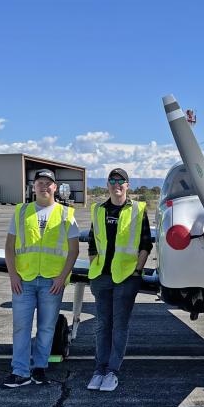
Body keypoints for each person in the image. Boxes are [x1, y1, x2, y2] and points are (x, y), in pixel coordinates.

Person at [3, 169, 80, 388]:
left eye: (48, 183)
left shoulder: (66, 214)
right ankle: (20, 371)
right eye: (40, 182)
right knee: (21, 327)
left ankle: (39, 368)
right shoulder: (21, 211)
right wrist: (13, 275)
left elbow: (73, 250)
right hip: (24, 280)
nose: (44, 186)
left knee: (47, 328)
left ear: (55, 187)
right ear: (33, 187)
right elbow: (9, 247)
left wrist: (62, 278)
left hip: (52, 282)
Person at [86, 168, 151, 392]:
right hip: (101, 276)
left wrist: (137, 271)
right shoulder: (98, 209)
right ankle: (99, 370)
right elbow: (92, 242)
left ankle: (112, 371)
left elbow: (145, 244)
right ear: (107, 184)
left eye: (121, 181)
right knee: (102, 324)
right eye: (112, 180)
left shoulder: (138, 209)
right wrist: (94, 265)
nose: (116, 184)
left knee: (119, 325)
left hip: (126, 277)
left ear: (127, 185)